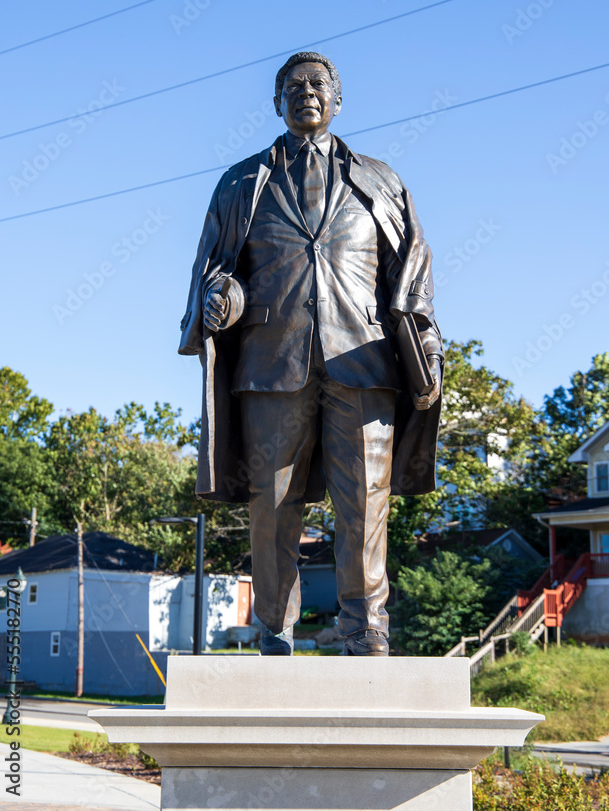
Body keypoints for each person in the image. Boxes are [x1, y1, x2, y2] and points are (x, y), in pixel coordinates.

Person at [179, 52, 443, 655]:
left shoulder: (380, 179)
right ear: (276, 103)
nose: (306, 93)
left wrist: (426, 340)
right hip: (272, 362)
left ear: (338, 99)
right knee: (270, 503)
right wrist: (222, 297)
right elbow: (218, 270)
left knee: (366, 500)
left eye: (318, 84)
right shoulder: (243, 182)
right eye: (292, 86)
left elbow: (413, 272)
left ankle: (364, 624)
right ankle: (275, 629)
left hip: (365, 357)